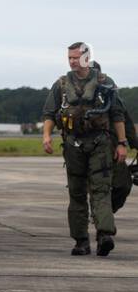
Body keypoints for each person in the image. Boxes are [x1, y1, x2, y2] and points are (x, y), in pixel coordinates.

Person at [41, 42, 128, 256]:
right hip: (73, 145)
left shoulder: (104, 83)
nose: (72, 61)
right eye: (69, 57)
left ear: (86, 58)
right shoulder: (61, 85)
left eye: (76, 57)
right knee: (76, 192)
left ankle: (104, 235)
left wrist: (122, 143)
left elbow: (117, 115)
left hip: (100, 143)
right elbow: (49, 114)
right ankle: (81, 241)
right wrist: (46, 137)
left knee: (100, 190)